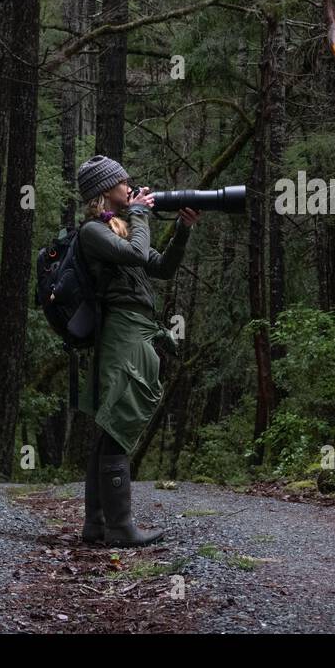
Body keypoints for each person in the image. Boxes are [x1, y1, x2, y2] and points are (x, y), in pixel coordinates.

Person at [74, 154, 200, 547]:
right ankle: (120, 527)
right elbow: (136, 255)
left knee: (113, 423)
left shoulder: (118, 226)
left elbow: (158, 267)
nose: (129, 184)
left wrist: (181, 230)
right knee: (121, 418)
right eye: (122, 181)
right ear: (103, 191)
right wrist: (140, 214)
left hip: (136, 326)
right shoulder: (92, 232)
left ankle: (97, 524)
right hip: (122, 329)